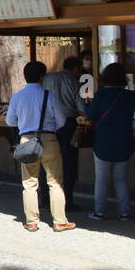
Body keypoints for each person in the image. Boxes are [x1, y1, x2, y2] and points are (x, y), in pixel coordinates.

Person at [6, 60, 75, 232]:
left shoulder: (17, 97)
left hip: (27, 140)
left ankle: (31, 221)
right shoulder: (49, 96)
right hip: (49, 139)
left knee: (29, 183)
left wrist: (24, 123)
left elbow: (10, 121)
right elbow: (61, 121)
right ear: (42, 77)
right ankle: (59, 220)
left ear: (25, 76)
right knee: (55, 181)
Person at [87, 62, 135, 221]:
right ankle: (124, 212)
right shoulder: (131, 96)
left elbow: (90, 115)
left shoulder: (100, 95)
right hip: (124, 142)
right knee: (121, 179)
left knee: (102, 178)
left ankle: (99, 212)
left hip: (103, 142)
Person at [43, 55, 86, 210]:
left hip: (48, 123)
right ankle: (67, 200)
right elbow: (82, 108)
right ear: (76, 68)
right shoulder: (74, 82)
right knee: (69, 163)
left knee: (47, 162)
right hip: (69, 123)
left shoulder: (48, 78)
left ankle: (45, 200)